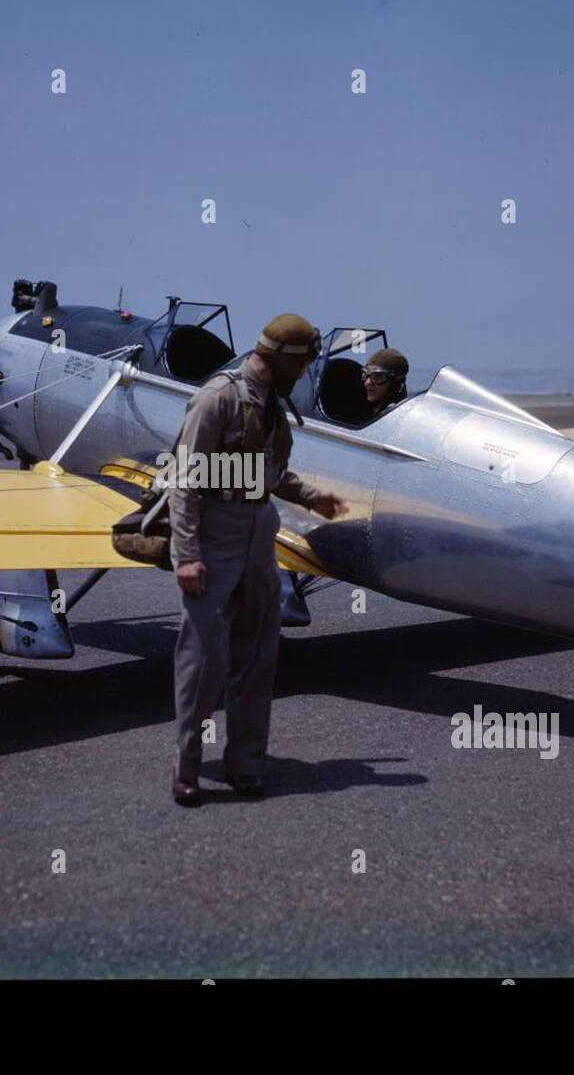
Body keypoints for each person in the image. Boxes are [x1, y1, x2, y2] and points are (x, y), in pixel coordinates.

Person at [167, 314, 348, 807]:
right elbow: (183, 480)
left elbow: (265, 472)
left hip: (258, 531)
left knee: (257, 656)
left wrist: (313, 498)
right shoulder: (216, 399)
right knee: (202, 658)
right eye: (306, 361)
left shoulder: (270, 402)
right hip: (215, 532)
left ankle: (246, 764)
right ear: (281, 359)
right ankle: (186, 770)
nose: (309, 370)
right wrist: (187, 555)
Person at [362, 347, 410, 419]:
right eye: (365, 375)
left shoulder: (397, 416)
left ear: (395, 383)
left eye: (378, 377)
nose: (367, 383)